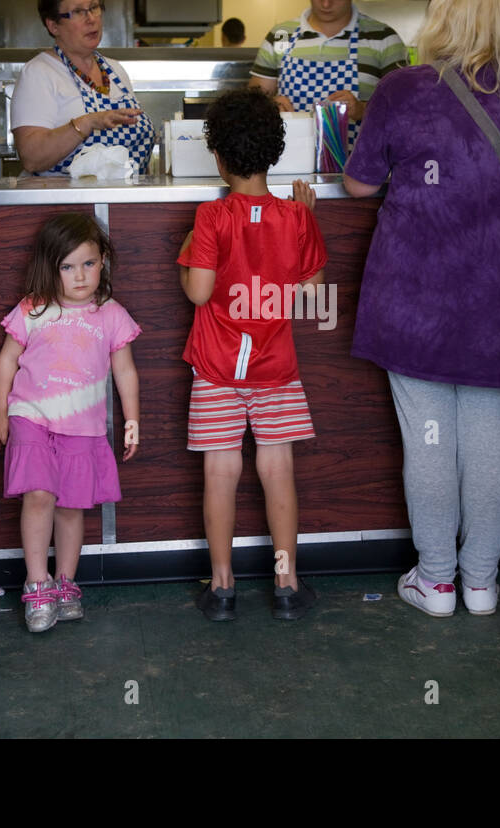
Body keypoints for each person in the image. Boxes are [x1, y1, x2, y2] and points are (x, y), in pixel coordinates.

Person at [343, 0, 500, 618]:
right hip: (498, 298)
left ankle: (436, 580)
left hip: (415, 300)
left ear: (442, 6)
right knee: (486, 436)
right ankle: (481, 582)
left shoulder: (405, 89)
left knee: (431, 439)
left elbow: (358, 184)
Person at [176, 89, 328, 621]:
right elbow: (311, 294)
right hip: (275, 369)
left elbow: (198, 292)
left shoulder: (212, 216)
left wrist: (196, 239)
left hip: (218, 369)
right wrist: (305, 221)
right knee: (277, 470)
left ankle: (221, 589)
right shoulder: (295, 216)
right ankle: (286, 585)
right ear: (276, 151)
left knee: (221, 473)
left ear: (217, 156)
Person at [0, 213, 141, 633]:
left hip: (84, 427)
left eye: (89, 264)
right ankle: (36, 585)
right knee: (39, 495)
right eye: (67, 266)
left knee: (72, 507)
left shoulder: (111, 315)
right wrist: (1, 411)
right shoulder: (33, 309)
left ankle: (66, 584)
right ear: (50, 267)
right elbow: (7, 359)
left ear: (104, 262)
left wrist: (132, 420)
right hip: (31, 418)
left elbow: (125, 372)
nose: (80, 276)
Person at [250, 0, 407, 148]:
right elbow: (253, 99)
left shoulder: (383, 39)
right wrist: (268, 104)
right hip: (291, 165)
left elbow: (405, 109)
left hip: (359, 173)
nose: (325, 3)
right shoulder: (281, 36)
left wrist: (362, 110)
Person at [11, 0, 154, 177]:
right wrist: (87, 123)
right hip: (65, 204)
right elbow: (32, 157)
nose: (91, 19)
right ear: (53, 25)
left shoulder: (115, 71)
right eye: (78, 11)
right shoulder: (39, 73)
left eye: (94, 8)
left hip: (124, 201)